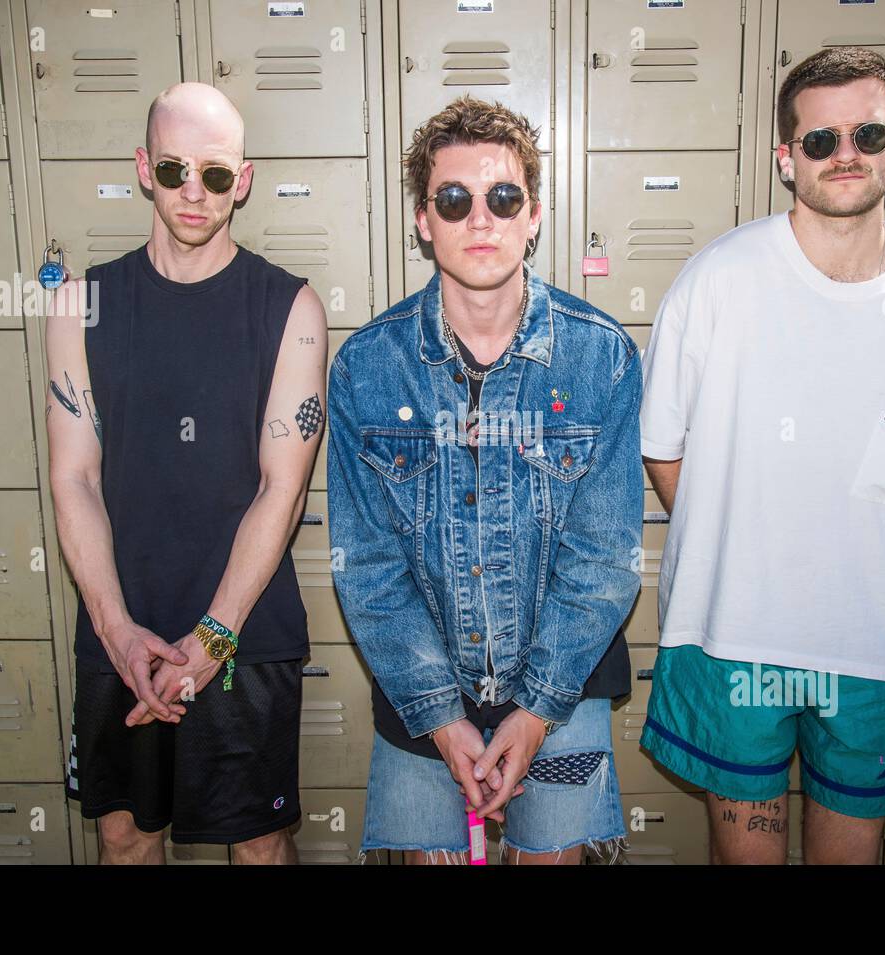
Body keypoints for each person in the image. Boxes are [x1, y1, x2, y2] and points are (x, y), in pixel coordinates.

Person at [638, 48, 885, 864]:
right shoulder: (717, 282)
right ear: (786, 158)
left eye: (867, 132)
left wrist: (862, 516)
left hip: (867, 640)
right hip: (731, 631)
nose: (846, 153)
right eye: (820, 139)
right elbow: (667, 458)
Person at [327, 95, 641, 864]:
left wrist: (533, 714)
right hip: (420, 696)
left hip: (562, 693)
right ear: (423, 219)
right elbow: (366, 567)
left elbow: (604, 559)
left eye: (504, 198)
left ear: (534, 215)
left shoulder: (601, 359)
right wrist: (442, 716)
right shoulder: (366, 368)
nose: (481, 219)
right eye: (454, 199)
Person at [48, 82, 326, 863]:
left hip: (246, 634)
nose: (193, 192)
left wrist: (214, 636)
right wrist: (115, 630)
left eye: (213, 173)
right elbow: (74, 478)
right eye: (174, 171)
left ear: (242, 179)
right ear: (144, 169)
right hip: (121, 629)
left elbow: (283, 487)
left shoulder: (290, 308)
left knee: (259, 844)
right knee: (125, 837)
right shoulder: (82, 305)